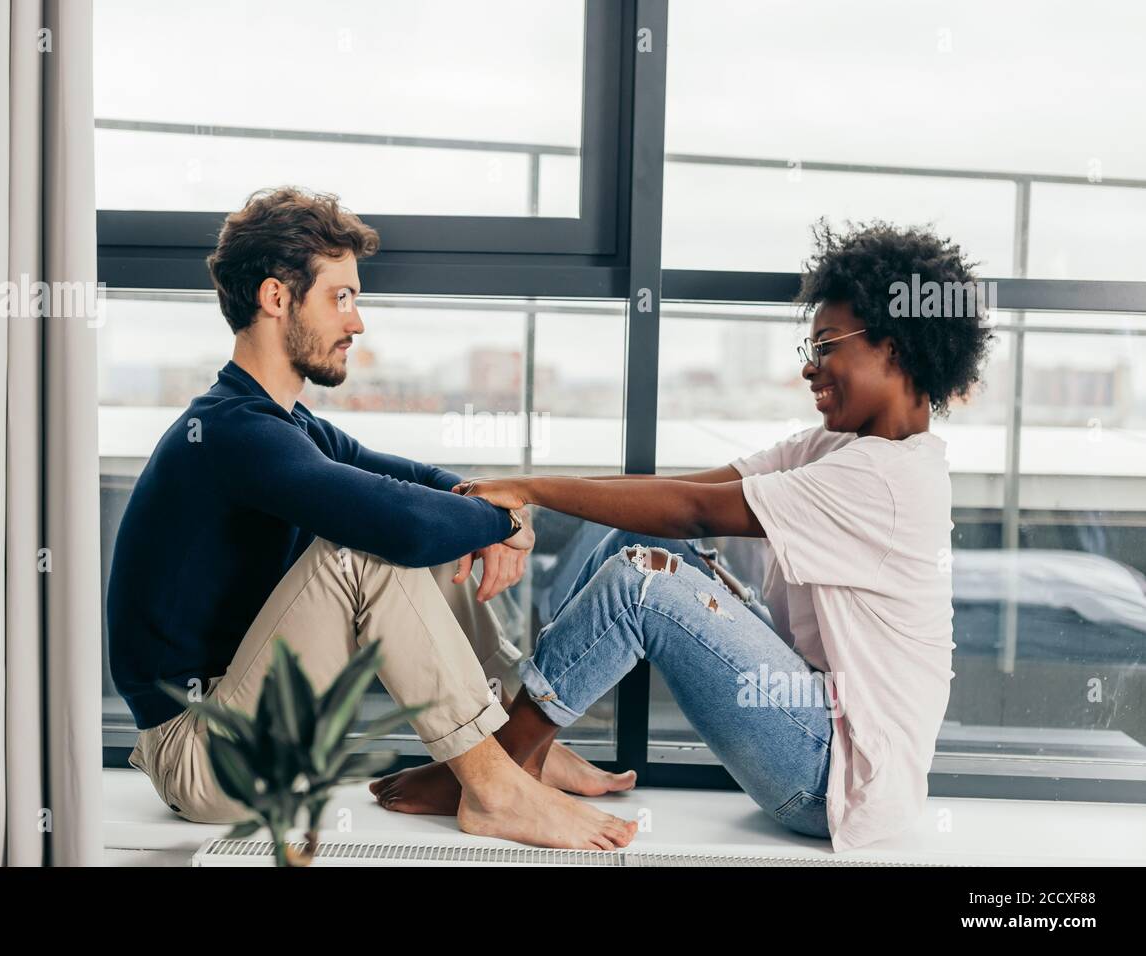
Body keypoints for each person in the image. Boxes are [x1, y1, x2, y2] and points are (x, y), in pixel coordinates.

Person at [371, 220, 994, 853]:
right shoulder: (836, 447)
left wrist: (528, 489)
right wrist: (528, 489)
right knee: (642, 549)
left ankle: (492, 774)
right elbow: (684, 493)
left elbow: (696, 510)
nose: (810, 368)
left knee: (643, 584)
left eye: (827, 344)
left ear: (893, 347)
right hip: (806, 712)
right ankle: (530, 754)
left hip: (830, 777)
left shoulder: (884, 478)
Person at [107, 186, 636, 850]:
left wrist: (501, 504)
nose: (357, 323)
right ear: (276, 298)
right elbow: (403, 529)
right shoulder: (231, 432)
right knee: (366, 550)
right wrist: (500, 523)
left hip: (247, 731)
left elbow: (411, 481)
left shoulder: (288, 425)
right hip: (206, 757)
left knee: (423, 525)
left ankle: (510, 737)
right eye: (341, 298)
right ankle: (494, 787)